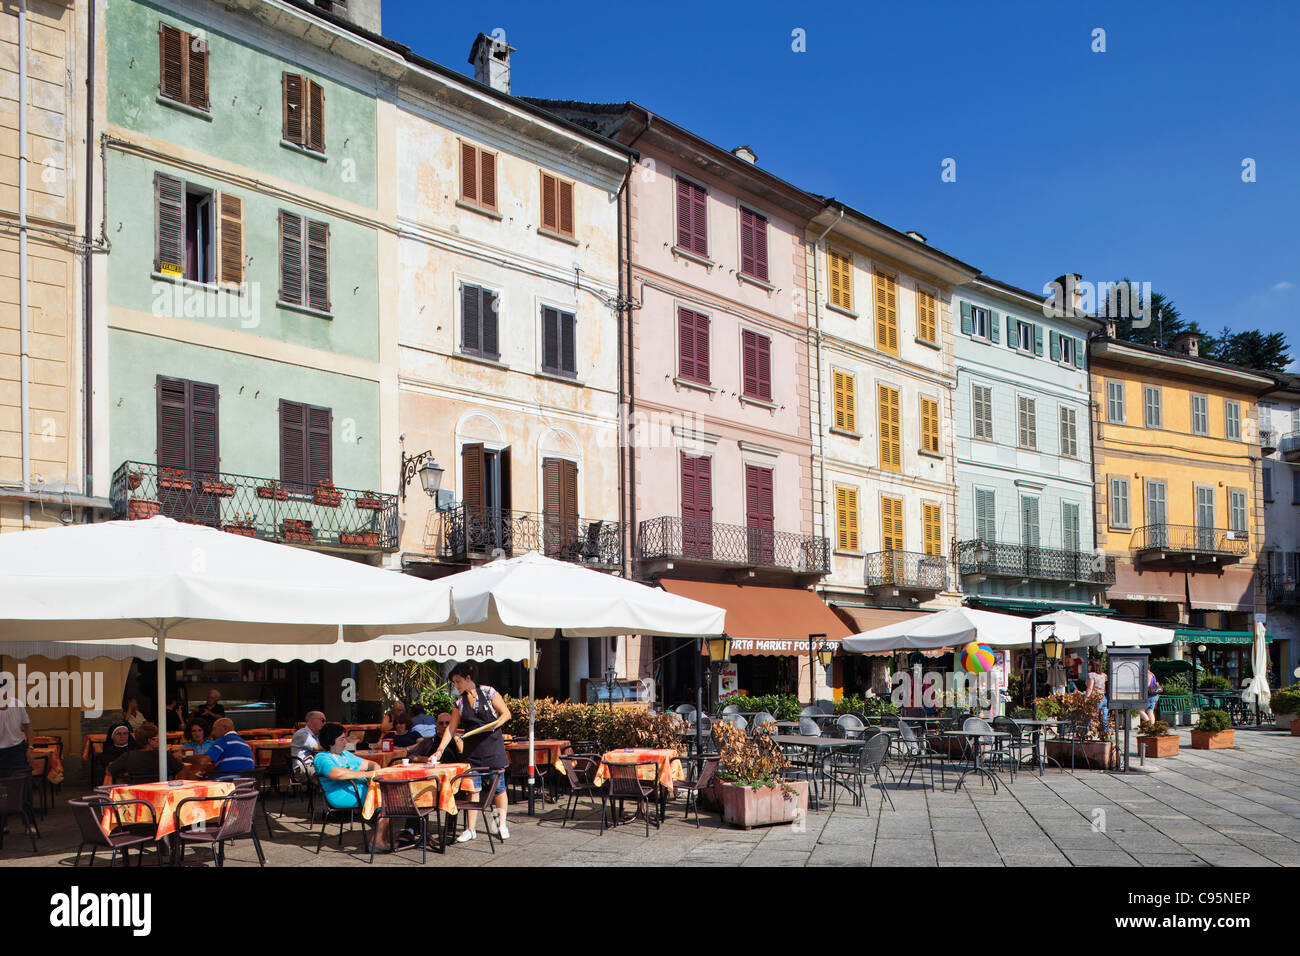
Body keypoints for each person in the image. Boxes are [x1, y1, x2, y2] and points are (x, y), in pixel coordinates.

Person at [432, 662, 511, 843]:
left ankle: (501, 825)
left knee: (498, 788)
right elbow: (451, 728)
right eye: (454, 683)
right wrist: (440, 749)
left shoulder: (489, 692)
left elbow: (506, 714)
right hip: (472, 751)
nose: (456, 686)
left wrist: (493, 726)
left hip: (493, 747)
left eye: (458, 681)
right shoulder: (458, 702)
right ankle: (471, 829)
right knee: (472, 789)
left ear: (468, 678)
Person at [313, 722, 392, 850]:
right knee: (388, 800)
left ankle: (381, 839)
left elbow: (371, 764)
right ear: (331, 740)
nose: (346, 741)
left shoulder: (345, 755)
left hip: (355, 790)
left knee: (389, 796)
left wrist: (374, 771)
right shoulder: (322, 757)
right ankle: (378, 841)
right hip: (340, 794)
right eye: (342, 739)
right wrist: (365, 775)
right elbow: (336, 773)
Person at [0, 688, 35, 830]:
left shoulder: (17, 704)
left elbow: (28, 725)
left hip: (17, 748)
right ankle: (3, 824)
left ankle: (29, 823)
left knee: (24, 785)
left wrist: (30, 747)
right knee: (2, 788)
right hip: (0, 751)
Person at [105, 723, 184, 785]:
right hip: (160, 794)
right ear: (150, 740)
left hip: (138, 797)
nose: (160, 740)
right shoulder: (164, 756)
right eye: (157, 738)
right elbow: (181, 771)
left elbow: (109, 771)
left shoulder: (128, 756)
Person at [1086, 660, 1109, 727]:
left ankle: (1085, 733)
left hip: (1095, 697)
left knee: (1091, 716)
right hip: (1103, 697)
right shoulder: (1104, 675)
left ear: (1092, 666)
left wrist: (1086, 698)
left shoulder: (1091, 675)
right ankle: (1105, 733)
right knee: (1104, 718)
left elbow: (1090, 688)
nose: (1088, 666)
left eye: (1089, 665)